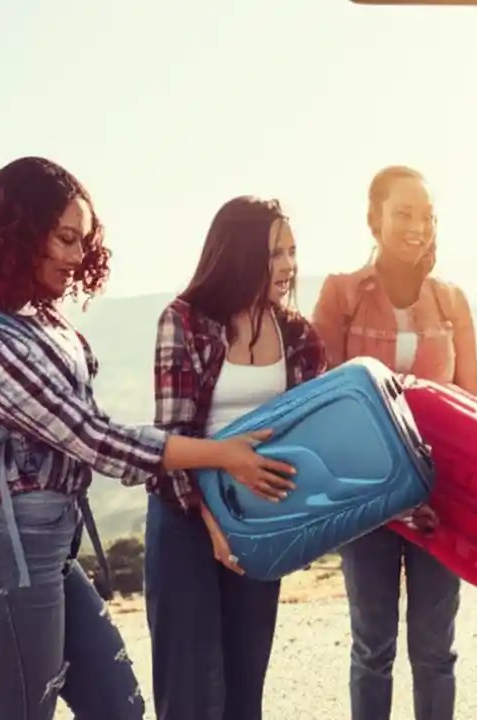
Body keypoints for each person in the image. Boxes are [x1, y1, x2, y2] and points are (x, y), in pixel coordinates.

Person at [0, 157, 282, 720]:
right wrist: (220, 456)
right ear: (18, 233)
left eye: (83, 241)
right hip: (1, 554)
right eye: (65, 238)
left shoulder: (38, 319)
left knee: (118, 707)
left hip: (48, 548)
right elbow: (92, 438)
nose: (77, 256)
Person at [143, 196, 327, 720]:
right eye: (275, 254)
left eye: (292, 252)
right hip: (183, 518)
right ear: (240, 254)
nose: (289, 266)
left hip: (259, 519)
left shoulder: (299, 336)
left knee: (245, 691)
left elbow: (310, 438)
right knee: (191, 695)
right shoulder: (183, 321)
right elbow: (171, 439)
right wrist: (210, 521)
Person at [312, 165, 477, 720]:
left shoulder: (452, 301)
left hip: (440, 501)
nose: (418, 225)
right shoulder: (341, 295)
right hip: (366, 502)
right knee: (373, 649)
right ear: (373, 219)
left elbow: (469, 407)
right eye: (404, 213)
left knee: (435, 653)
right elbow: (324, 405)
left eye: (427, 215)